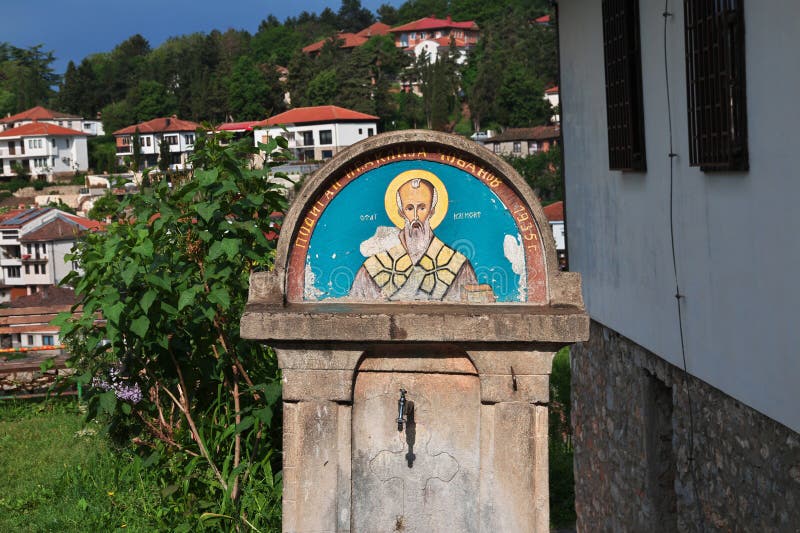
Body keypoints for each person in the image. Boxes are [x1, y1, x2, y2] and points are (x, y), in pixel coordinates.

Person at [349, 175, 483, 301]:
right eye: (409, 208)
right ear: (401, 212)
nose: (415, 217)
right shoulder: (372, 268)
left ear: (432, 211)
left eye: (422, 208)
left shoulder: (458, 265)